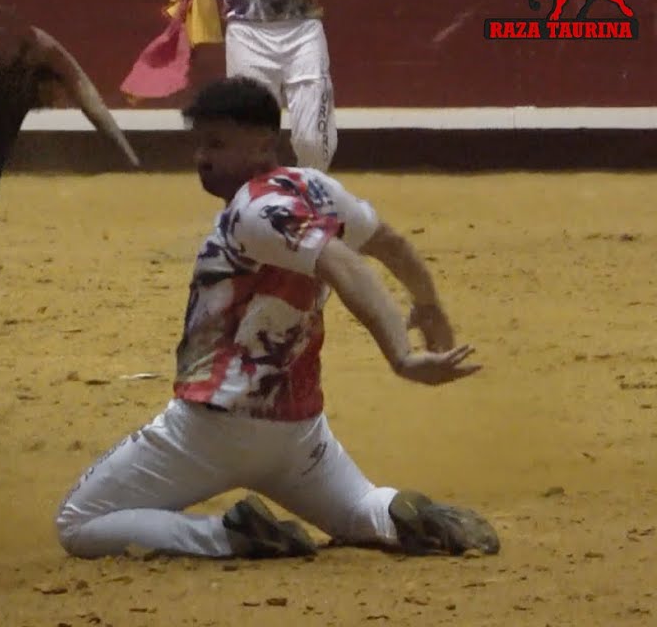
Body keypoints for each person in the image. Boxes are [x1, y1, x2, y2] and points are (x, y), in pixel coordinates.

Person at [54, 76, 499, 561]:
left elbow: (344, 263)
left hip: (213, 427)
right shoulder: (315, 188)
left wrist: (402, 356)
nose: (202, 157)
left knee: (78, 523)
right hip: (298, 432)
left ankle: (228, 537)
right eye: (199, 143)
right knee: (358, 510)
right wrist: (427, 302)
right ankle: (393, 515)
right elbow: (388, 244)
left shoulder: (256, 211)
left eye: (218, 144)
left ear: (263, 142)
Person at [172, 0, 370, 171]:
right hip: (247, 34)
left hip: (303, 31)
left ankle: (310, 193)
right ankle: (258, 202)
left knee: (312, 140)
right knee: (249, 137)